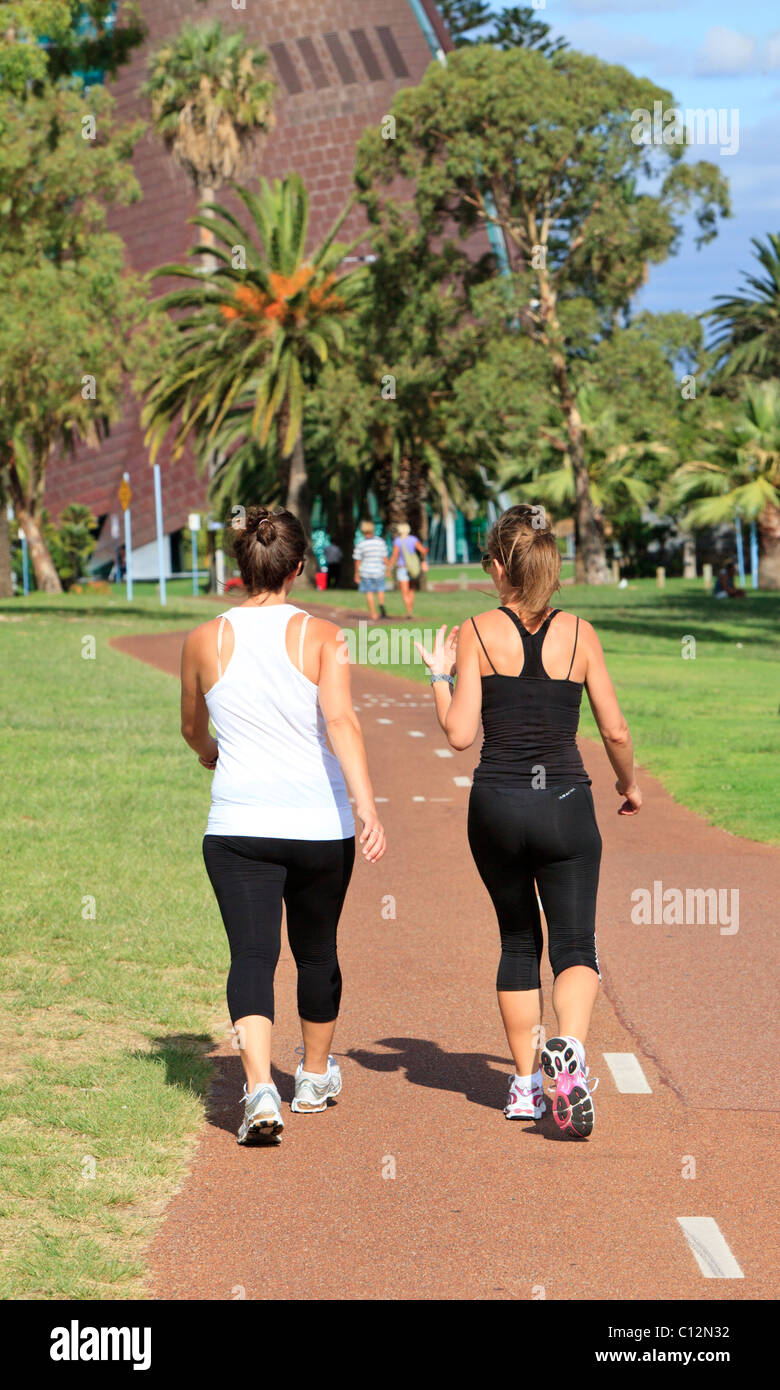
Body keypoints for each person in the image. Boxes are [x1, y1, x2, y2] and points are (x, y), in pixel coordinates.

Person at [416, 504, 641, 1138]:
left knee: (518, 940)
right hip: (565, 805)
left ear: (495, 566)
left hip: (495, 805)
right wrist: (629, 784)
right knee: (575, 944)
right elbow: (615, 728)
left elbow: (460, 734)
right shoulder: (582, 633)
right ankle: (567, 1050)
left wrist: (437, 675)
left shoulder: (478, 631)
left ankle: (522, 1088)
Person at [180, 507, 386, 1147]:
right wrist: (367, 805)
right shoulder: (323, 637)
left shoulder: (203, 640)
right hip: (318, 823)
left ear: (241, 567)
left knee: (252, 955)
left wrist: (210, 754)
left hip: (238, 824)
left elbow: (192, 727)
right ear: (299, 567)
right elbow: (343, 724)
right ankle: (314, 1077)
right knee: (316, 950)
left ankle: (258, 1087)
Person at [389, 522, 428, 619]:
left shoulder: (397, 541)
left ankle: (408, 611)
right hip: (413, 568)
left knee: (404, 591)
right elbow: (423, 551)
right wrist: (422, 560)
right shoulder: (413, 539)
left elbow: (394, 555)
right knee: (411, 590)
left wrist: (389, 566)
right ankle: (410, 610)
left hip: (402, 568)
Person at [353, 520, 388, 620]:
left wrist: (356, 573)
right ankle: (381, 604)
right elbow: (384, 558)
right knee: (381, 589)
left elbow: (358, 560)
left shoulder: (361, 544)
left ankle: (373, 613)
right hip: (379, 570)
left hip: (366, 571)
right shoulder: (380, 542)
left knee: (369, 592)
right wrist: (388, 568)